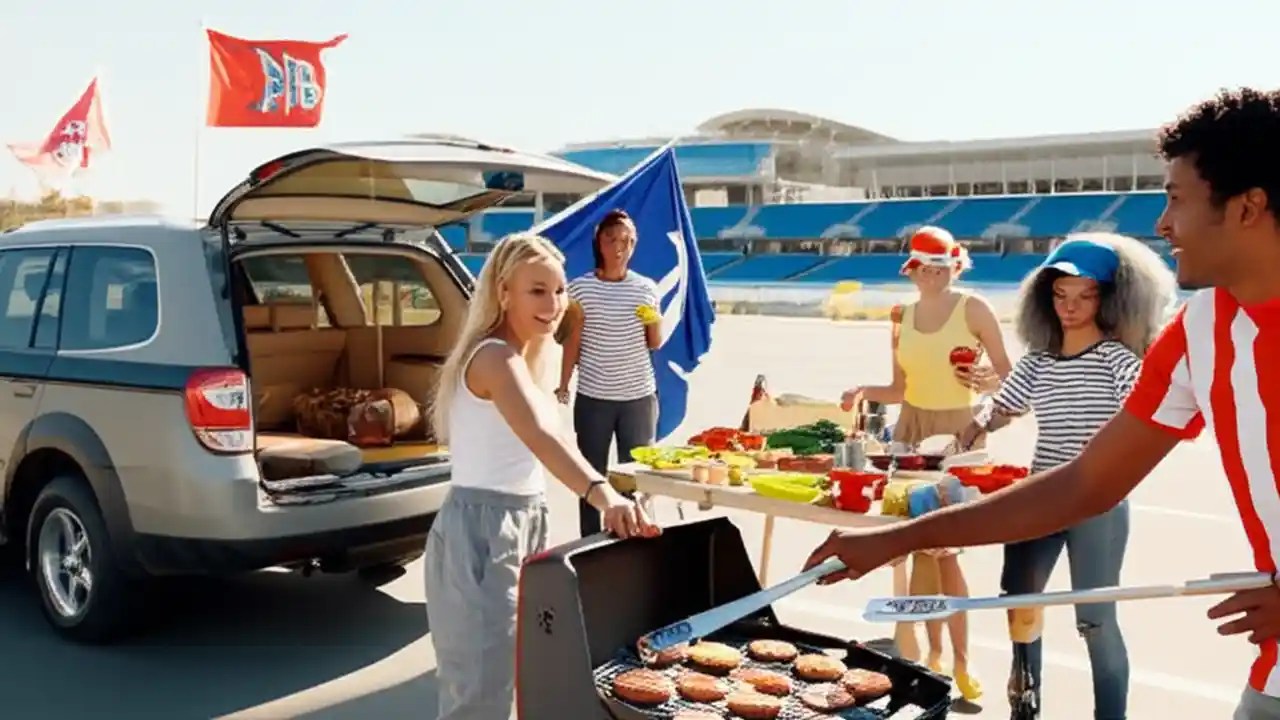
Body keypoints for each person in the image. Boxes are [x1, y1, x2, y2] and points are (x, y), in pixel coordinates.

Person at [803, 87, 1280, 720]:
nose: (1162, 224)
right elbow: (1085, 482)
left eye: (1176, 198)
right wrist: (895, 539)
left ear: (1248, 208)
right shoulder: (1202, 331)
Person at [425, 232, 661, 720]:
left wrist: (620, 487)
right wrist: (604, 497)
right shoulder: (495, 357)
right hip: (483, 531)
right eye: (537, 290)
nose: (553, 304)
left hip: (522, 523)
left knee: (517, 683)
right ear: (503, 292)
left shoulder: (527, 359)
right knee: (480, 693)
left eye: (558, 291)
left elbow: (558, 443)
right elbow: (540, 437)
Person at [952, 233, 1176, 719]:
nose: (1069, 308)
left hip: (1099, 499)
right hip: (1041, 493)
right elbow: (1005, 405)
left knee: (1095, 619)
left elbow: (1141, 415)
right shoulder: (1039, 360)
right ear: (1043, 298)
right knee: (1021, 604)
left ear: (1109, 299)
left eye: (1085, 296)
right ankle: (1024, 709)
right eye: (1059, 295)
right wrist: (974, 424)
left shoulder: (1119, 359)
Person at [840, 225, 1014, 700]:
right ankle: (932, 657)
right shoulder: (901, 315)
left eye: (940, 267)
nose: (930, 275)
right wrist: (861, 391)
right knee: (918, 546)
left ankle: (961, 659)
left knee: (950, 551)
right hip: (911, 433)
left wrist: (986, 381)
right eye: (922, 267)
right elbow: (899, 390)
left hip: (960, 434)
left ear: (955, 266)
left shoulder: (974, 307)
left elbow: (1009, 375)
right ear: (911, 270)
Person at [557, 209, 662, 537]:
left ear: (634, 245)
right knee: (591, 476)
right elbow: (572, 342)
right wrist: (562, 384)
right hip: (594, 399)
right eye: (611, 238)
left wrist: (652, 318)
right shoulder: (580, 290)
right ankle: (591, 542)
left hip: (638, 399)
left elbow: (654, 342)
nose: (619, 247)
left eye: (627, 241)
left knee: (636, 478)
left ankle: (637, 539)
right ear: (598, 242)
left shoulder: (645, 289)